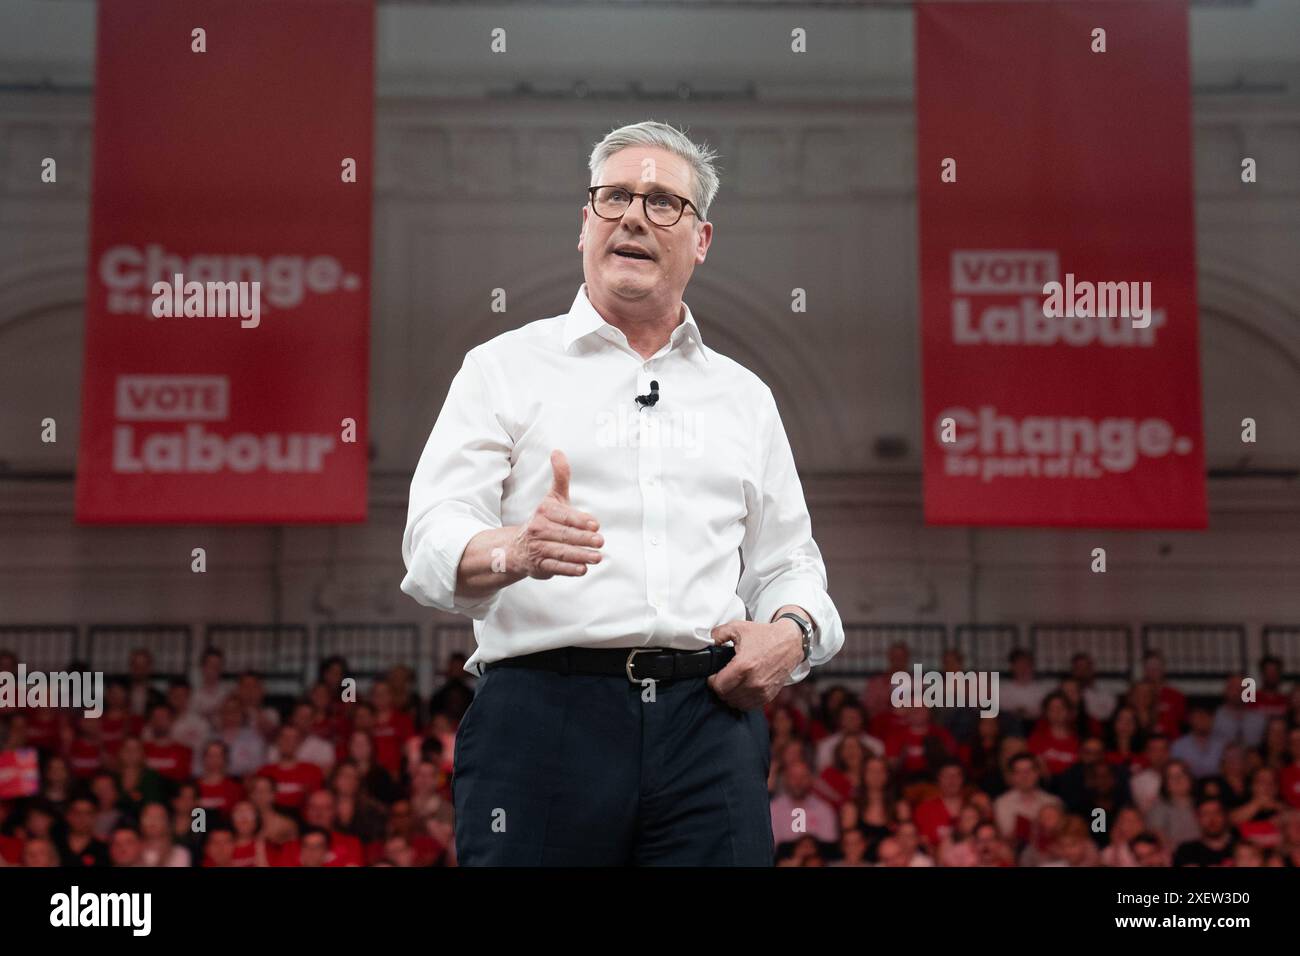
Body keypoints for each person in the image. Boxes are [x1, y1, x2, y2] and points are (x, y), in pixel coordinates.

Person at [399, 120, 844, 866]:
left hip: (709, 726)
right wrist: (517, 549)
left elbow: (790, 562)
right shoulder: (501, 368)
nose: (633, 216)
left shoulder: (745, 397)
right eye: (613, 198)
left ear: (701, 239)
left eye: (662, 202)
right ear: (585, 226)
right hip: (542, 720)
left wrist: (792, 634)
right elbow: (431, 538)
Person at [1172, 797, 1235, 867]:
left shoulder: (1240, 848)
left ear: (1224, 815)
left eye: (1216, 812)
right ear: (1198, 818)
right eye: (1205, 814)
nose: (1212, 819)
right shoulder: (1186, 852)